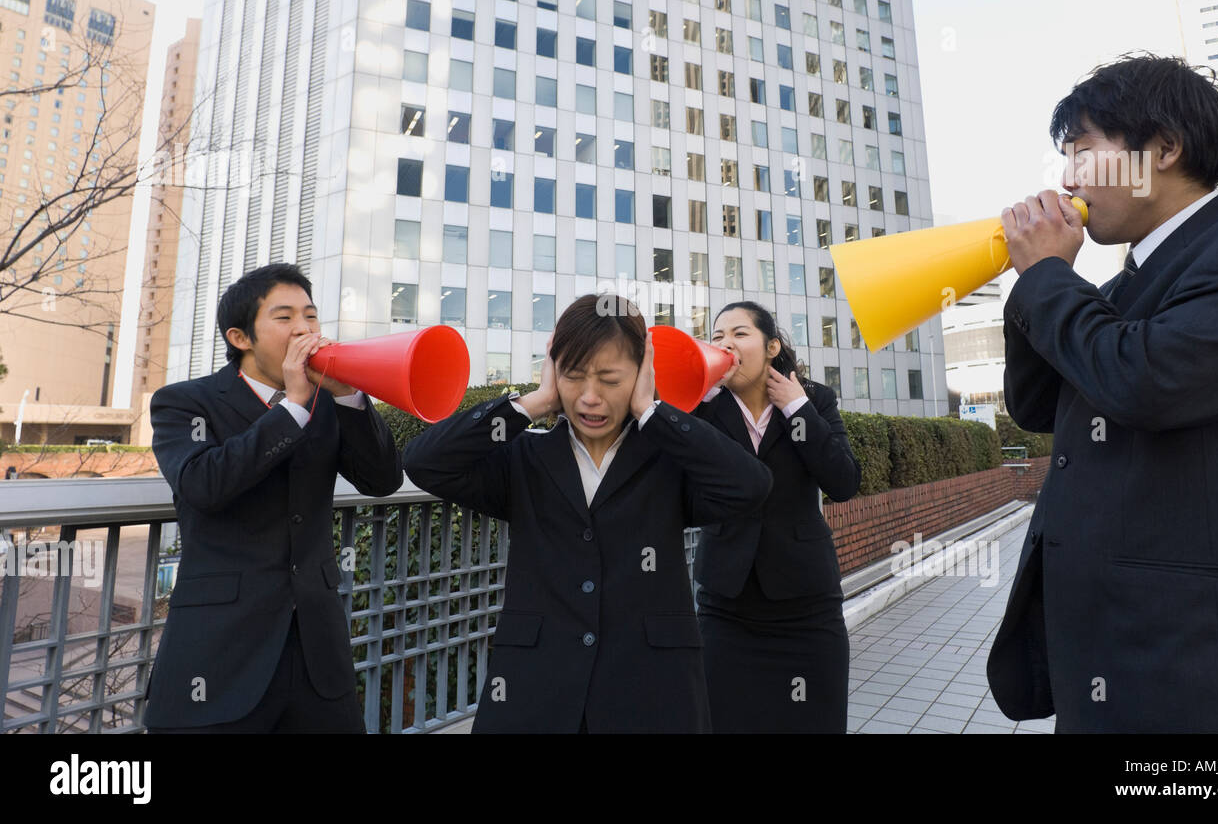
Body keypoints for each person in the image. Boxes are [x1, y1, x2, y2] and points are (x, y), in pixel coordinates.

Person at [986, 54, 1218, 732]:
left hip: (1205, 677)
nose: (1065, 177)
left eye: (1081, 150)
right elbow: (1039, 406)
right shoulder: (1122, 287)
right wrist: (1034, 281)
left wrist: (1048, 279)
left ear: (1163, 147)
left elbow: (1143, 381)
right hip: (1110, 667)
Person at [402, 294, 772, 733]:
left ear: (641, 374)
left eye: (611, 380)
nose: (590, 398)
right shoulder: (525, 457)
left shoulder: (667, 459)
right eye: (574, 376)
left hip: (652, 692)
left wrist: (651, 410)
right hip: (536, 691)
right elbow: (425, 461)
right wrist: (535, 402)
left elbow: (750, 486)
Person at [145, 263, 404, 733]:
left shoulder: (329, 401)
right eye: (285, 318)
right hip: (220, 652)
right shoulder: (183, 402)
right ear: (240, 337)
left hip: (317, 651)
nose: (305, 329)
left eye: (311, 316)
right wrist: (291, 408)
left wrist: (349, 399)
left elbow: (382, 479)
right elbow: (204, 484)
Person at [690, 302, 860, 733]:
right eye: (717, 336)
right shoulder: (704, 407)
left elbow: (843, 481)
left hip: (807, 607)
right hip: (727, 608)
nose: (726, 343)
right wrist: (690, 405)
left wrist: (797, 408)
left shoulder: (814, 399)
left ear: (772, 346)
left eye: (739, 333)